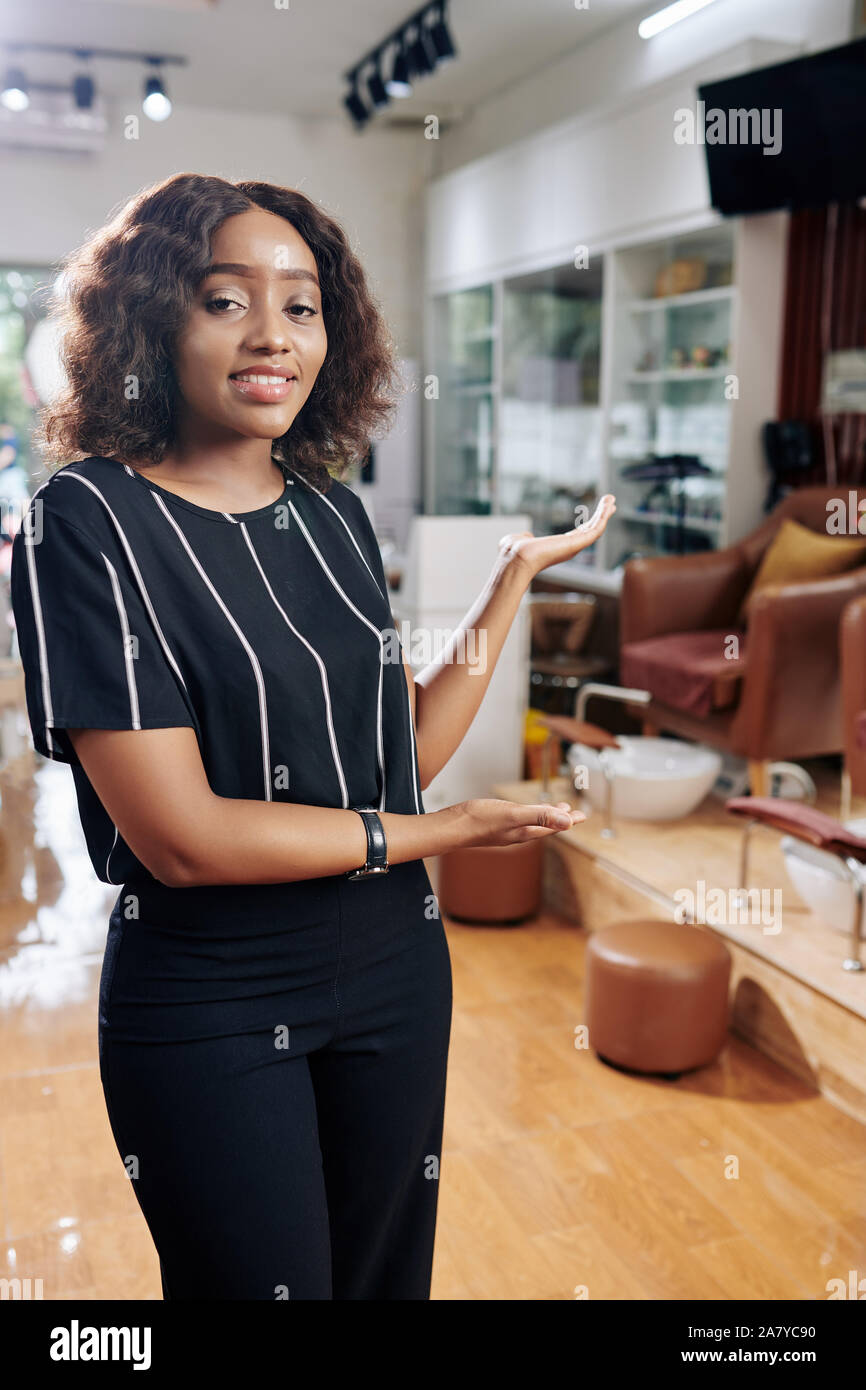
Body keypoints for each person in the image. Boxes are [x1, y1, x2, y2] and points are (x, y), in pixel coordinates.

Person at [9, 172, 615, 1301]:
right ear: (151, 317)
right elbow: (183, 838)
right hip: (212, 997)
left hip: (393, 972)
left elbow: (393, 760)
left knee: (386, 1283)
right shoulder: (85, 522)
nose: (272, 334)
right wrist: (439, 835)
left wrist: (505, 585)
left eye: (301, 304)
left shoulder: (328, 508)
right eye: (225, 299)